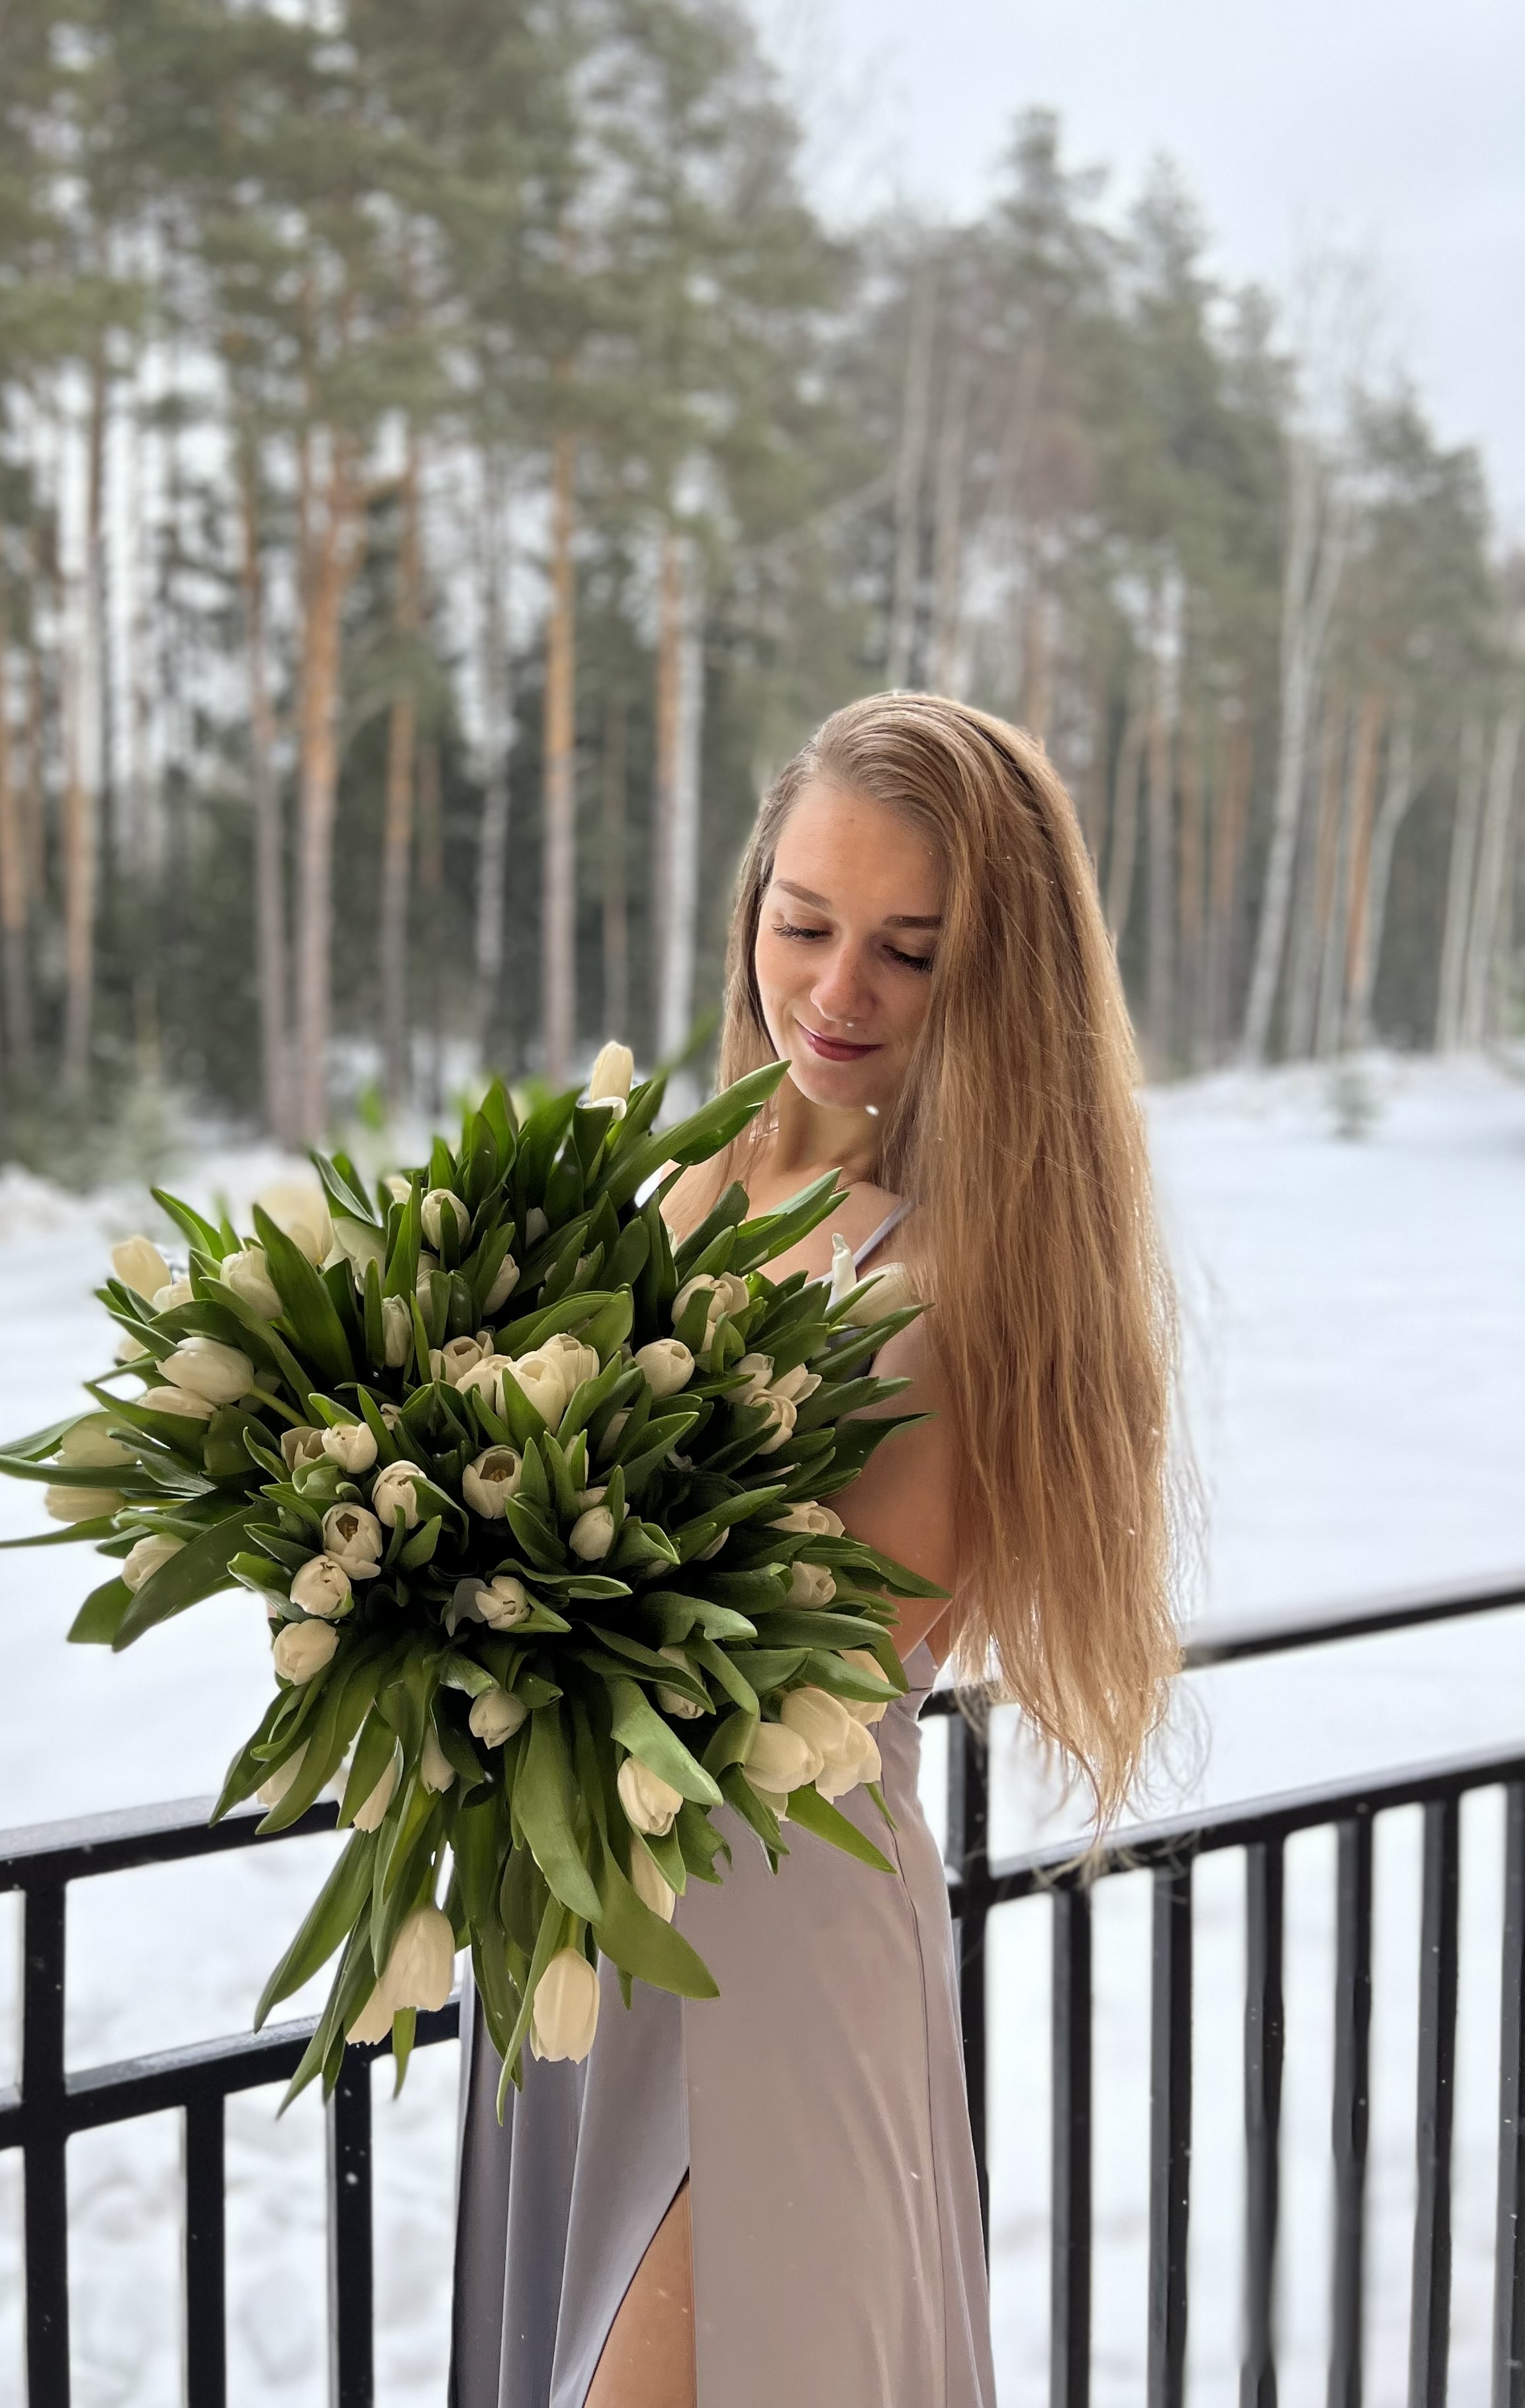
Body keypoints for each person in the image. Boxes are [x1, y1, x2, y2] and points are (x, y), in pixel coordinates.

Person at [451, 692, 1183, 2408]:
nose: (836, 994)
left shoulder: (967, 1285)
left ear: (998, 979)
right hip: (590, 1921)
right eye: (804, 924)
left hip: (776, 1943)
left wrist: (497, 1575)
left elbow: (832, 1653)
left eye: (910, 953)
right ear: (754, 909)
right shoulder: (679, 1188)